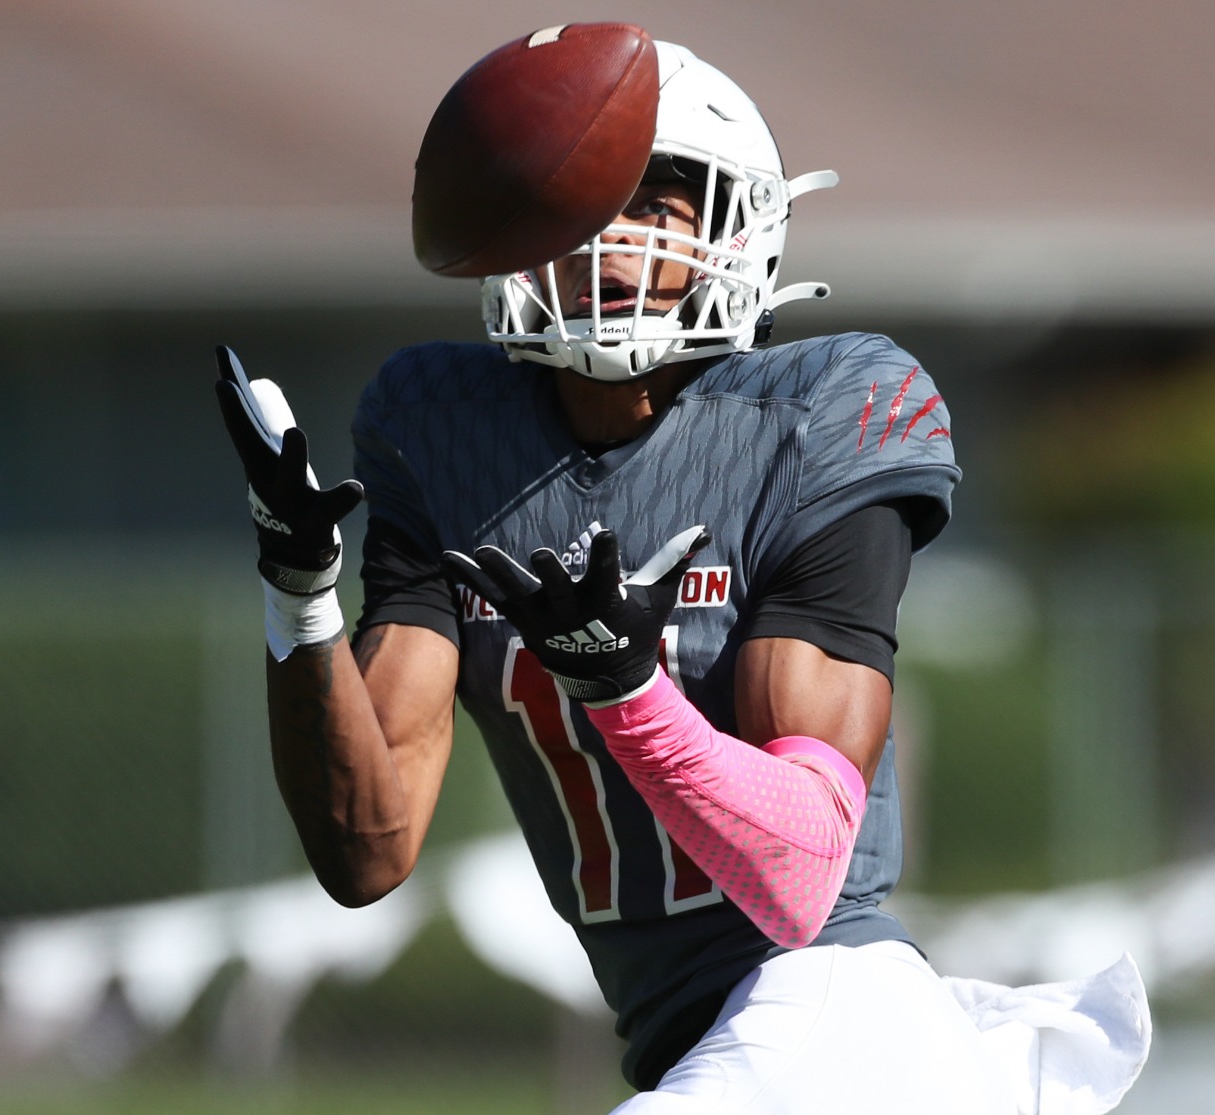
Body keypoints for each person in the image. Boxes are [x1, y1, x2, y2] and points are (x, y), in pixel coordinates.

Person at [216, 36, 1144, 1115]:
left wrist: (624, 689)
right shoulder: (442, 433)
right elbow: (364, 846)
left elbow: (801, 875)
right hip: (701, 1042)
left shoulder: (822, 412)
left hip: (832, 1014)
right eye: (585, 201)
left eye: (656, 203)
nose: (612, 235)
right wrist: (299, 593)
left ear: (736, 227)